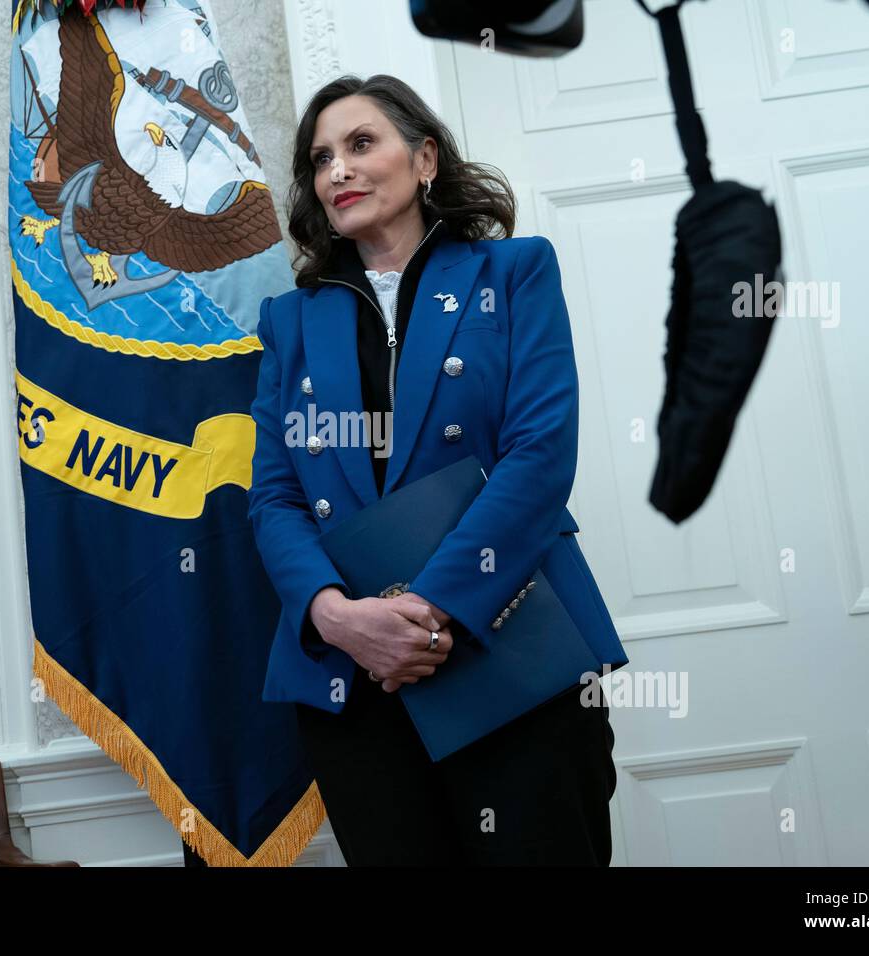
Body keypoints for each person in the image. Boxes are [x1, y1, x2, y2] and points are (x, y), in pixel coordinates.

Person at [246, 74, 628, 866]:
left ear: (424, 159)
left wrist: (428, 610)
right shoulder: (289, 320)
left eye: (360, 143)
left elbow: (540, 454)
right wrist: (335, 617)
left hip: (508, 646)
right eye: (321, 158)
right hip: (356, 678)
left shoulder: (514, 273)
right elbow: (275, 497)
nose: (338, 170)